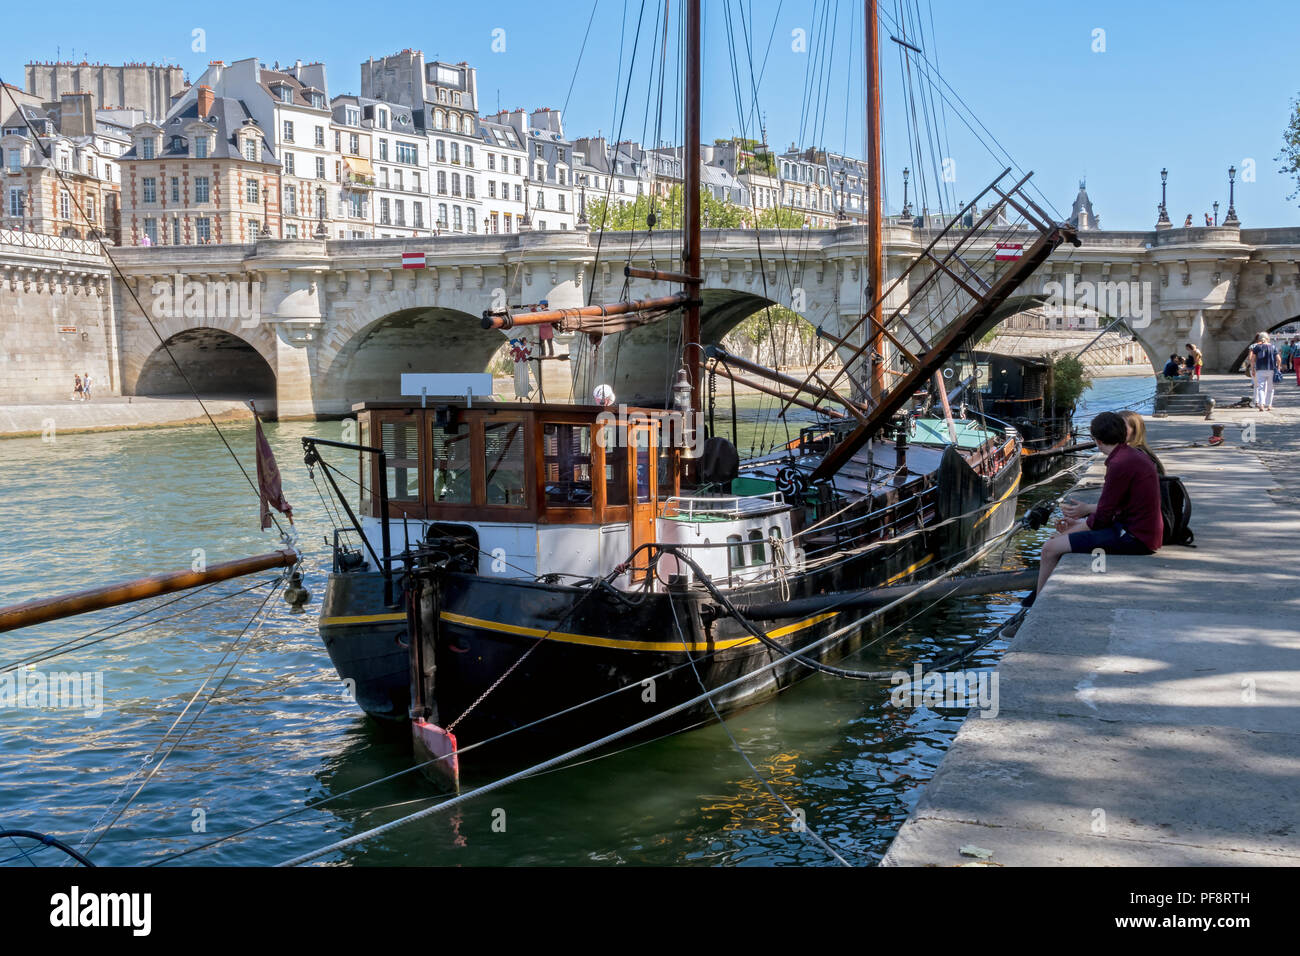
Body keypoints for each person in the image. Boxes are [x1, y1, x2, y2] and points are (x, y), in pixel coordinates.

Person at [1034, 411, 1163, 596]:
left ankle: (1039, 604)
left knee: (1049, 548)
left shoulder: (1119, 464)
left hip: (1135, 538)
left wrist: (1071, 531)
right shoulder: (1131, 455)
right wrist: (1078, 524)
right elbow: (1119, 508)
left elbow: (1103, 517)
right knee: (1062, 539)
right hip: (1140, 530)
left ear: (1098, 441)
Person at [1120, 409, 1165, 475]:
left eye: (1122, 427)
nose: (1116, 430)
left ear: (1135, 430)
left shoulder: (1134, 456)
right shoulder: (1143, 451)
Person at [1247, 332, 1278, 410]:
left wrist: (1253, 368)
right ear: (1268, 339)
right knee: (1270, 388)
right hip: (1271, 369)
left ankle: (1261, 405)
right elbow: (1279, 359)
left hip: (1260, 370)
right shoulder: (1273, 347)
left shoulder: (1256, 347)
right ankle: (1269, 405)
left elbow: (1252, 359)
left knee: (1260, 388)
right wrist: (1279, 367)